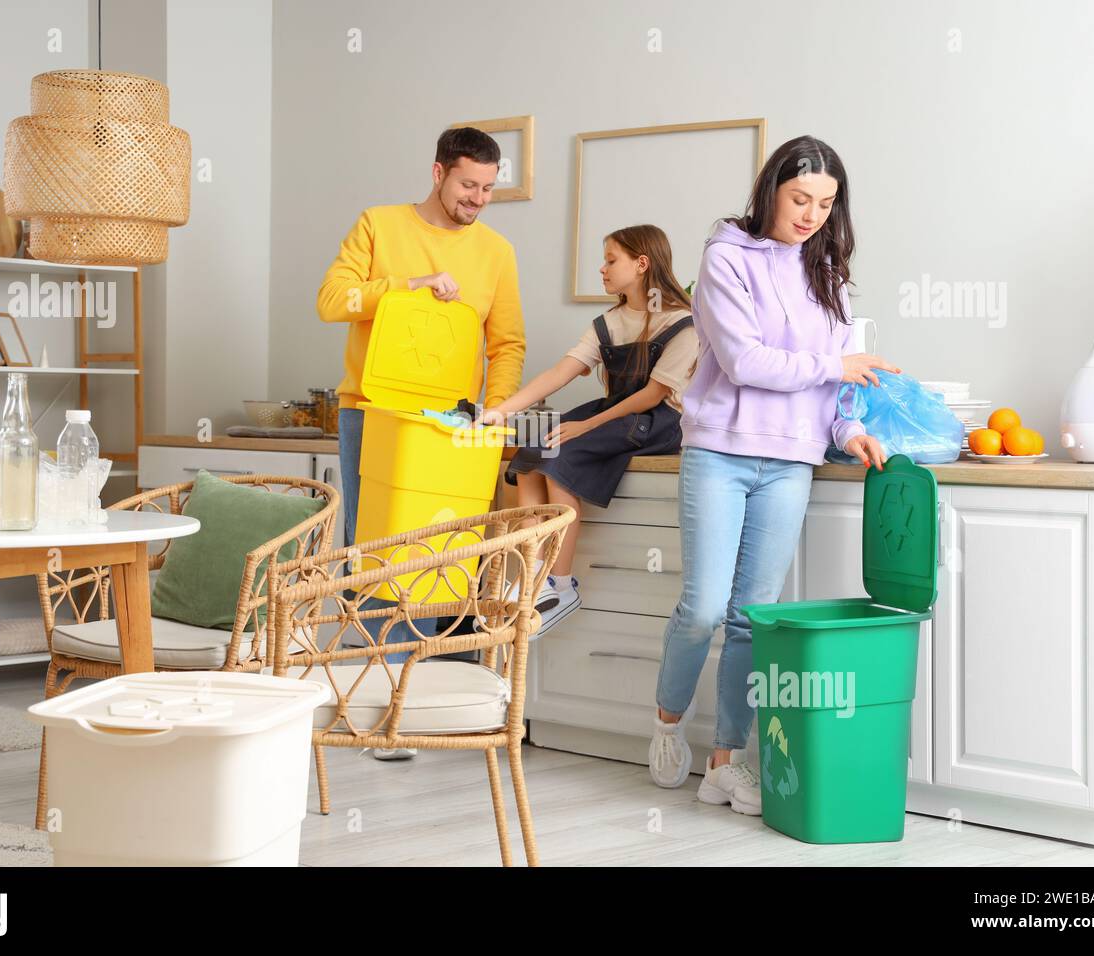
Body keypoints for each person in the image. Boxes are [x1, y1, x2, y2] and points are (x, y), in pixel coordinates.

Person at [647, 136, 897, 814]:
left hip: (791, 463)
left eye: (825, 203)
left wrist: (852, 431)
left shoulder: (829, 274)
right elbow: (744, 361)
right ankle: (668, 725)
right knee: (701, 609)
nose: (811, 214)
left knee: (752, 620)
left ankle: (726, 762)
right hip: (721, 452)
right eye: (799, 199)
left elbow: (837, 389)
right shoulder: (727, 256)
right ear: (771, 192)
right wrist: (834, 369)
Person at [316, 125, 525, 760]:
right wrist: (406, 285)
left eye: (489, 188)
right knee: (377, 547)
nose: (478, 198)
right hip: (375, 413)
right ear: (438, 173)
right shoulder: (379, 225)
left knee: (439, 552)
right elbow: (332, 300)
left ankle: (411, 704)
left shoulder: (496, 252)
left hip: (453, 425)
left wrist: (495, 410)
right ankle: (372, 705)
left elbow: (507, 342)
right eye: (468, 184)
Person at [480, 225, 698, 637]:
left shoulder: (684, 324)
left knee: (561, 456)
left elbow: (652, 396)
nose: (602, 268)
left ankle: (561, 585)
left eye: (611, 260)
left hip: (657, 423)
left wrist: (587, 425)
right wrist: (500, 411)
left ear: (642, 263)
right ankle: (533, 574)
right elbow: (559, 373)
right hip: (616, 414)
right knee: (531, 454)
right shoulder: (609, 323)